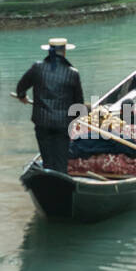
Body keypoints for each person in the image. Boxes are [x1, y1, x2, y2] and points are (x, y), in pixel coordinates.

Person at [16, 37, 85, 174]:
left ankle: (49, 181)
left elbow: (21, 87)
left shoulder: (37, 68)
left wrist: (22, 96)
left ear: (49, 51)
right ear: (64, 52)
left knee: (47, 160)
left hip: (42, 123)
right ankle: (60, 183)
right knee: (60, 162)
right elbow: (78, 105)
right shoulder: (72, 73)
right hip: (62, 125)